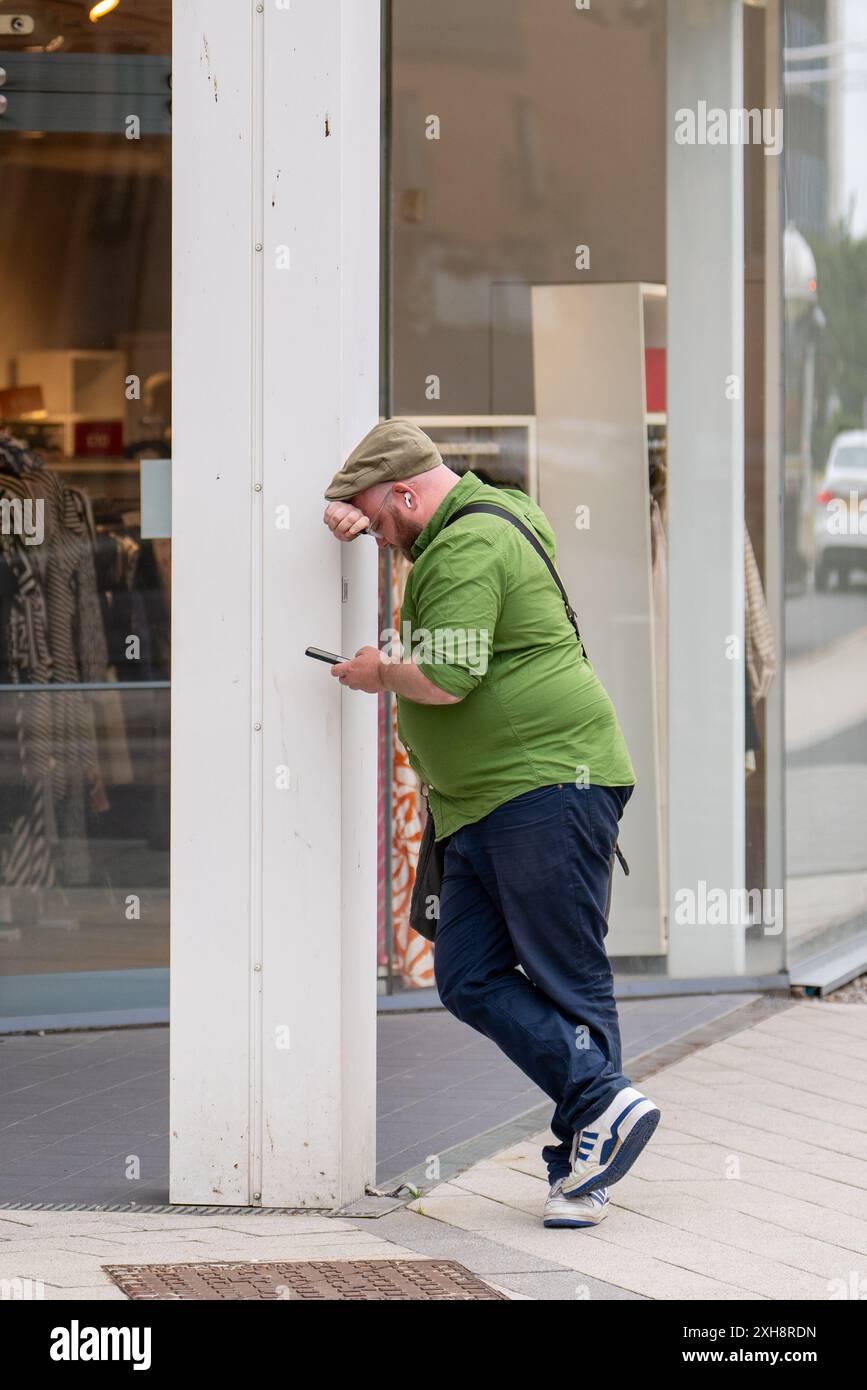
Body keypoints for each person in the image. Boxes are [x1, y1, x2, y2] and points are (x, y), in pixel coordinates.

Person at [323, 418, 660, 1229]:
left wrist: (376, 675)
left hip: (541, 784)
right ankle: (603, 1106)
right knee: (467, 974)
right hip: (480, 801)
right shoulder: (462, 523)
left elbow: (445, 675)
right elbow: (399, 531)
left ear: (408, 492)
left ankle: (584, 1167)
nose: (373, 532)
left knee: (564, 975)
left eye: (377, 514)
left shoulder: (469, 545)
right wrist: (352, 509)